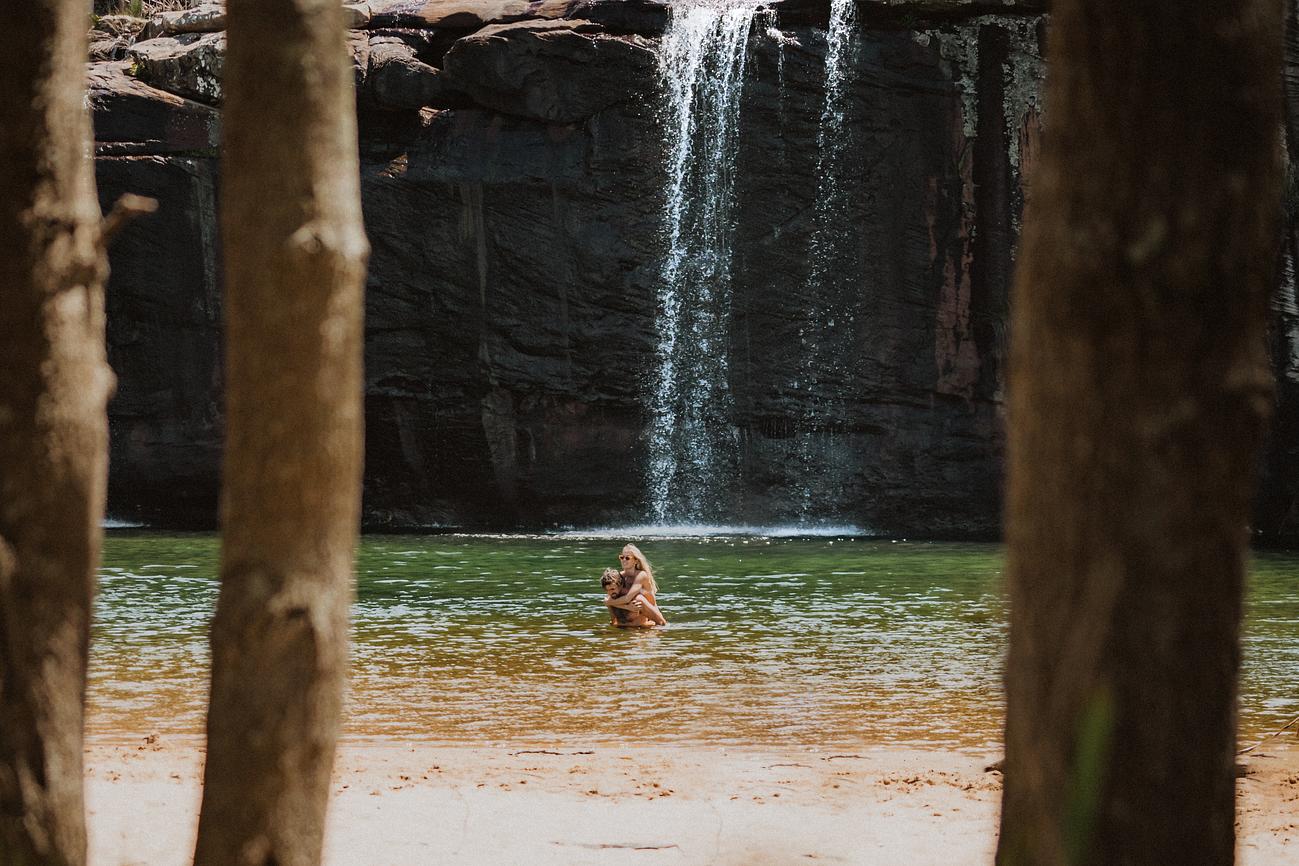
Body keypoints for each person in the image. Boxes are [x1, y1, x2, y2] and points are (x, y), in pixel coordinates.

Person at [603, 543, 666, 627]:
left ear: (636, 560)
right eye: (622, 557)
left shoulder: (641, 575)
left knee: (638, 599)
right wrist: (626, 607)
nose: (624, 560)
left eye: (627, 558)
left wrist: (609, 602)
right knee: (613, 593)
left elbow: (627, 598)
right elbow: (610, 597)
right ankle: (619, 624)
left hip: (652, 616)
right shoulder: (620, 576)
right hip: (632, 618)